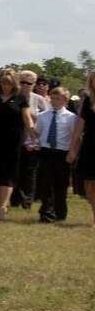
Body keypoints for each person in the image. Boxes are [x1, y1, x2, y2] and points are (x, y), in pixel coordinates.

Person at [0, 67, 32, 220]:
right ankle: (1, 204)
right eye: (4, 82)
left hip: (13, 140)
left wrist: (32, 130)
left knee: (8, 174)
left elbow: (27, 118)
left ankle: (4, 205)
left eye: (9, 83)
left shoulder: (21, 99)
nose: (6, 86)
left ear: (14, 83)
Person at [33, 86, 77, 224]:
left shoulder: (71, 117)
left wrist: (72, 152)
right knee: (45, 184)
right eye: (53, 98)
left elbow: (74, 137)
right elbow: (38, 133)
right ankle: (46, 213)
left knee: (61, 185)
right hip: (46, 152)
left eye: (58, 99)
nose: (55, 101)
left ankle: (60, 212)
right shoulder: (43, 116)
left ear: (65, 100)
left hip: (61, 153)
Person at [13, 70, 50, 209]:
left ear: (33, 85)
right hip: (15, 139)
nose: (25, 85)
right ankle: (14, 198)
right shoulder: (13, 97)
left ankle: (27, 200)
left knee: (30, 172)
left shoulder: (39, 99)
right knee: (15, 170)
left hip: (32, 140)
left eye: (29, 83)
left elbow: (47, 118)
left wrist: (32, 117)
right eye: (22, 82)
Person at [67, 72, 95, 225]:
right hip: (90, 144)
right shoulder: (87, 101)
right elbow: (79, 125)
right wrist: (73, 148)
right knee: (89, 182)